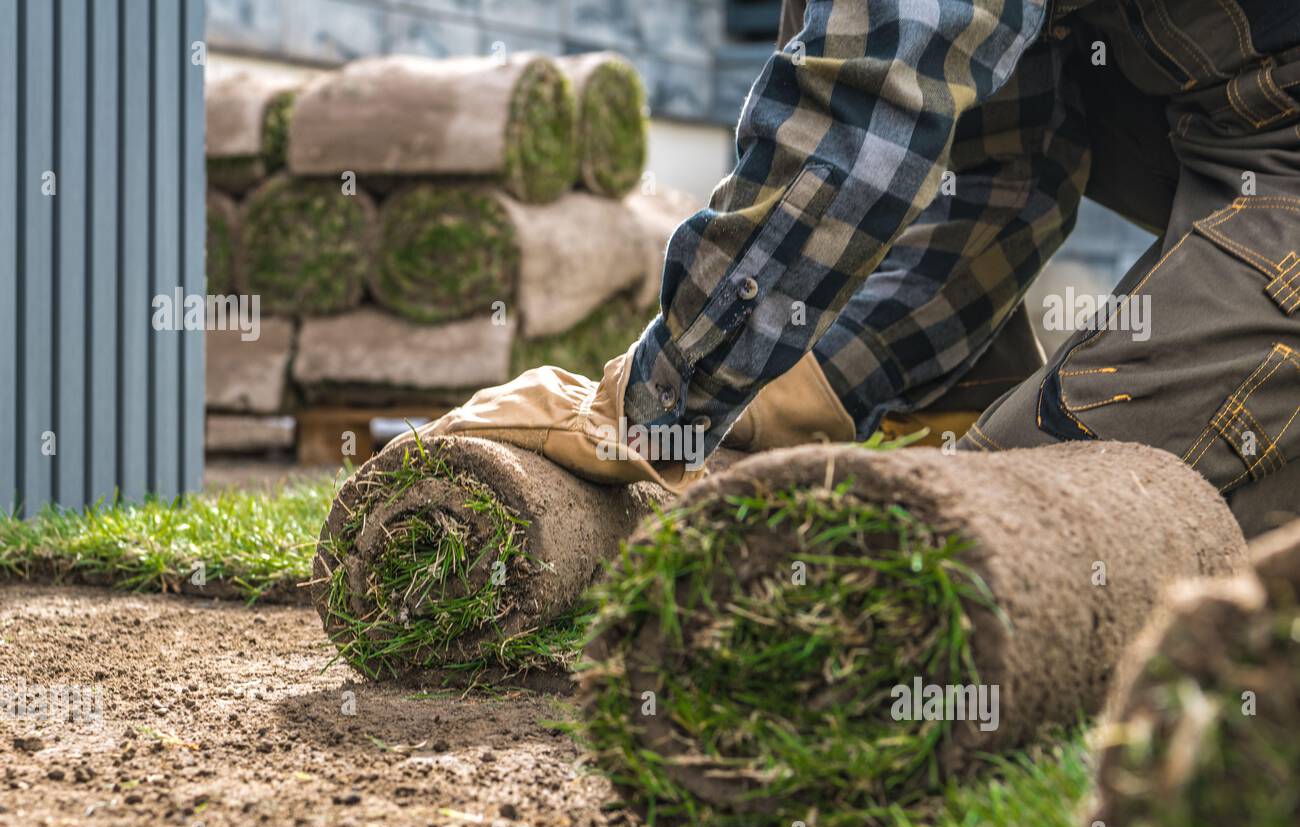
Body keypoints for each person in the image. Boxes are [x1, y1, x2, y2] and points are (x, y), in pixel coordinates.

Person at [433, 0, 1300, 539]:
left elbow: (871, 101)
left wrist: (651, 407)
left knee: (965, 549)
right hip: (1239, 138)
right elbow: (1004, 178)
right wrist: (813, 387)